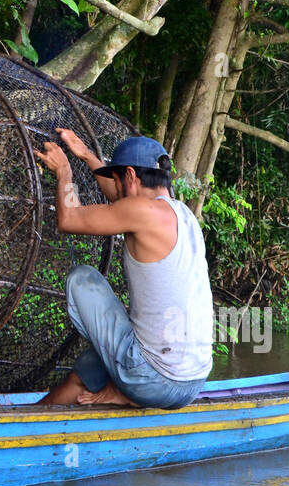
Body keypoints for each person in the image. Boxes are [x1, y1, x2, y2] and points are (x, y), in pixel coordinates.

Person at [32, 130, 214, 409]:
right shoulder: (183, 214)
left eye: (117, 179)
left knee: (83, 278)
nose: (113, 190)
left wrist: (64, 170)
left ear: (130, 176)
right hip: (192, 381)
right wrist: (86, 155)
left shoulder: (141, 211)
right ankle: (33, 418)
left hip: (154, 379)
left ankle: (131, 386)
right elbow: (119, 196)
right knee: (87, 372)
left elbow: (69, 219)